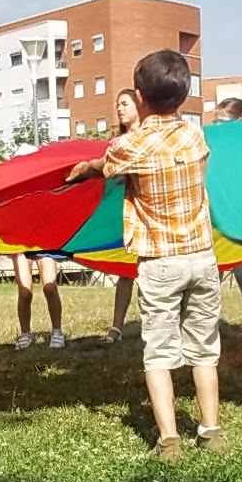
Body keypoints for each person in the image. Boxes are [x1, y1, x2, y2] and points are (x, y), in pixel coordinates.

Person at [68, 49, 223, 461]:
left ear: (138, 97)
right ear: (185, 94)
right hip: (202, 256)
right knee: (204, 347)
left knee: (159, 350)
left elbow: (106, 165)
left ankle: (169, 438)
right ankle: (210, 429)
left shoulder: (131, 144)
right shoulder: (195, 135)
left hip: (159, 261)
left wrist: (86, 167)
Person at [212, 97, 242, 335]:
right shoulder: (217, 145)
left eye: (223, 121)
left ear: (240, 119)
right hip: (218, 217)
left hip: (240, 220)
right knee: (213, 273)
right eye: (215, 122)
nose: (218, 126)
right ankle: (208, 320)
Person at [103, 88, 141, 344]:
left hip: (149, 217)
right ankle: (117, 326)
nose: (120, 108)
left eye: (125, 103)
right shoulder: (117, 143)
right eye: (118, 105)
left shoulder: (148, 139)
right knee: (126, 272)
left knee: (150, 274)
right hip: (125, 215)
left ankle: (153, 325)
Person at [12, 252, 65, 350]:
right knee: (24, 292)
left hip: (45, 246)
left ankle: (57, 332)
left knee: (50, 287)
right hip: (21, 245)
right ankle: (25, 334)